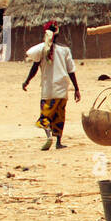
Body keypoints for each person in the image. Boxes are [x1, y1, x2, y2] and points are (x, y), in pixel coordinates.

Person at [22, 21, 80, 150]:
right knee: (60, 115)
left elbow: (34, 67)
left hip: (49, 89)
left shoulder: (42, 49)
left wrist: (27, 81)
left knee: (45, 115)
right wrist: (76, 89)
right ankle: (58, 142)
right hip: (62, 88)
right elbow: (71, 70)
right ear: (58, 34)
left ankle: (48, 134)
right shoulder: (65, 50)